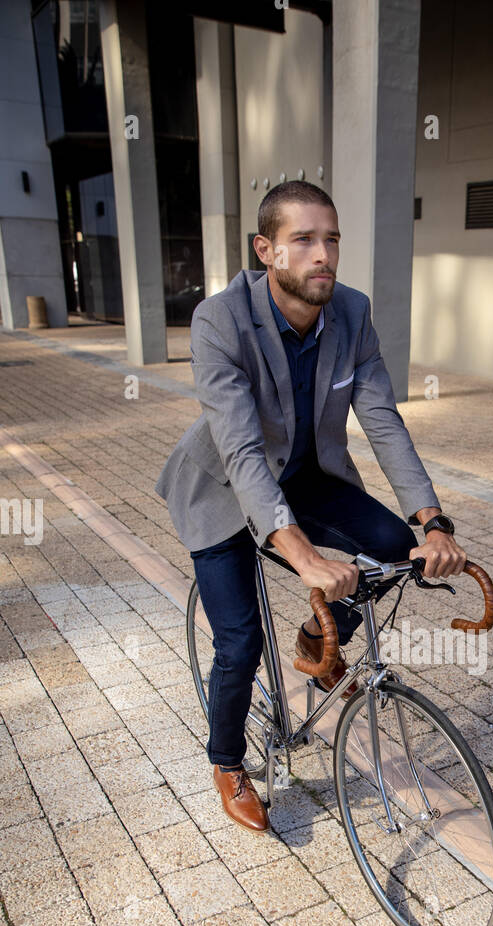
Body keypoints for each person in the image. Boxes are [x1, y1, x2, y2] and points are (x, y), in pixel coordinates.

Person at [155, 181, 465, 833]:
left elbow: (383, 421)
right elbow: (240, 450)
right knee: (240, 641)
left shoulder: (351, 312)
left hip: (304, 474)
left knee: (389, 546)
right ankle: (228, 763)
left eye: (331, 239)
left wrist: (431, 523)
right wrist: (303, 557)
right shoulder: (220, 320)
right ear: (266, 250)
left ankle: (318, 643)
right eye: (304, 240)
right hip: (221, 488)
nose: (323, 254)